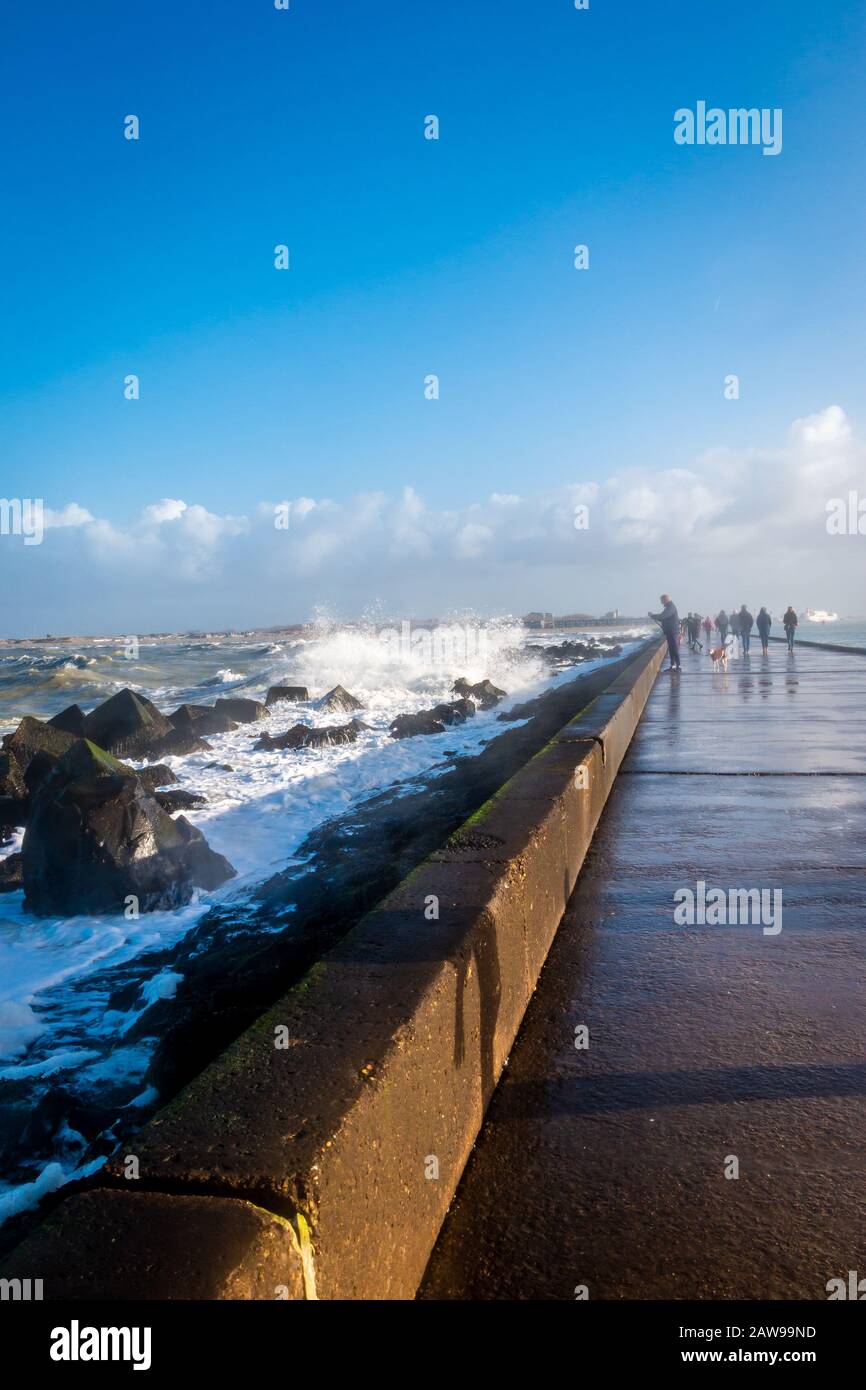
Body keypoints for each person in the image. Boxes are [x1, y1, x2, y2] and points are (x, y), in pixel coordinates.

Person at [649, 594, 681, 672]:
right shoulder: (668, 607)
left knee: (674, 649)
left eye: (661, 600)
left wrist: (653, 616)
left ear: (665, 599)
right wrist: (654, 616)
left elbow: (663, 616)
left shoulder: (671, 607)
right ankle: (673, 665)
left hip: (673, 632)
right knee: (671, 649)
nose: (661, 602)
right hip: (670, 632)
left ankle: (678, 666)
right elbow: (663, 618)